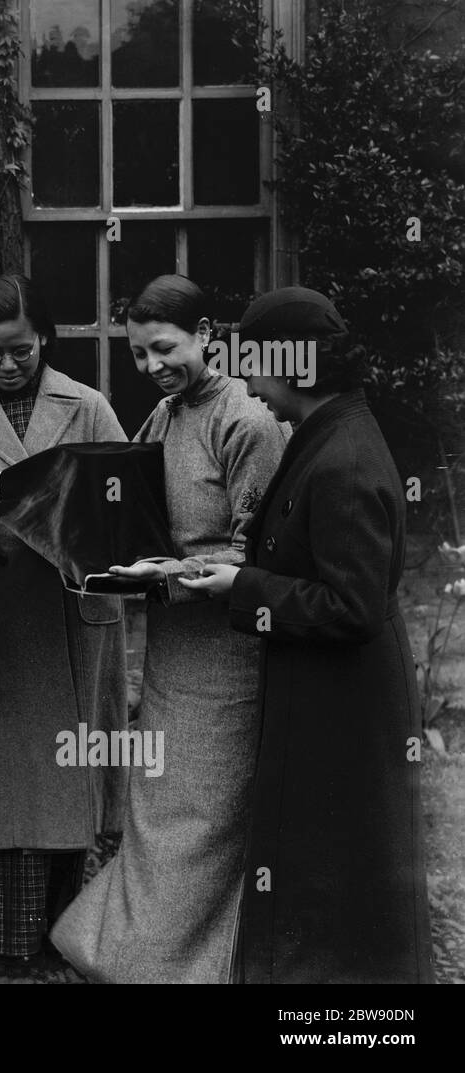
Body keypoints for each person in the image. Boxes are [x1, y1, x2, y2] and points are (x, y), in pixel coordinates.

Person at [180, 287, 435, 983]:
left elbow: (349, 605)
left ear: (294, 363)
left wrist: (243, 586)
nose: (247, 383)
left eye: (253, 364)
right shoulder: (330, 431)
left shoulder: (343, 458)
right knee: (327, 885)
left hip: (343, 714)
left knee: (338, 892)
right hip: (333, 703)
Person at [49, 275, 290, 982]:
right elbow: (140, 514)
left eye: (165, 349)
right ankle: (140, 950)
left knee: (206, 814)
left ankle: (185, 964)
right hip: (170, 651)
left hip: (231, 654)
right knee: (156, 805)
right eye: (139, 354)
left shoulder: (246, 419)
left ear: (207, 333)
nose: (153, 366)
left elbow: (257, 552)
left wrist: (166, 574)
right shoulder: (162, 416)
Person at [0, 273, 129, 973]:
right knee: (9, 778)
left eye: (20, 349)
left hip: (73, 618)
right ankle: (8, 938)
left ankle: (71, 928)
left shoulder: (90, 406)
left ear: (44, 336)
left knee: (74, 775)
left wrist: (75, 518)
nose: (8, 365)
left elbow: (127, 507)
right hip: (4, 626)